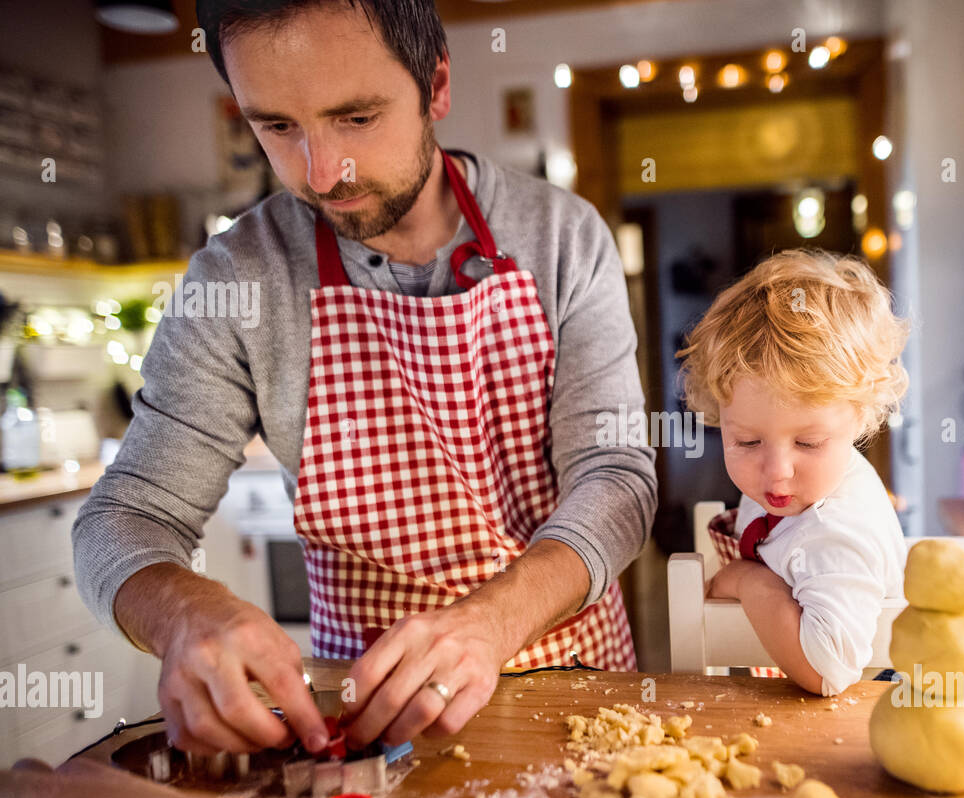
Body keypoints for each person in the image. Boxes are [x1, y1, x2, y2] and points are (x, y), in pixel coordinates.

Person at [72, 0, 654, 757]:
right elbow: (120, 519)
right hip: (366, 721)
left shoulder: (562, 236)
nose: (321, 173)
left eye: (355, 118)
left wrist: (492, 619)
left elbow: (616, 479)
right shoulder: (236, 279)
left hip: (573, 689)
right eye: (276, 126)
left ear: (435, 84)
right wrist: (185, 611)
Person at [676, 249, 909, 696]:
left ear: (860, 418)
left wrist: (748, 581)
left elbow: (829, 671)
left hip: (861, 717)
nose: (777, 473)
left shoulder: (834, 531)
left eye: (808, 443)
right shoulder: (795, 484)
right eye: (747, 441)